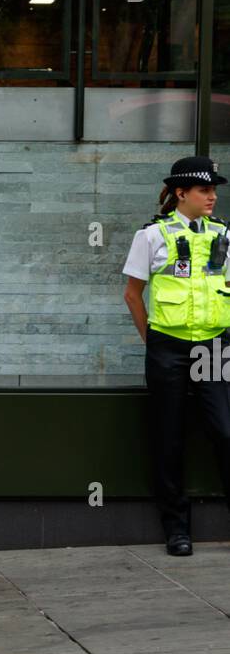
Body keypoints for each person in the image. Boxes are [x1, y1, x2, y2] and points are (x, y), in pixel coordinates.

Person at [123, 155, 230, 556]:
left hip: (216, 347)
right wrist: (152, 341)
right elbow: (132, 294)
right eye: (204, 190)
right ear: (180, 193)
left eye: (214, 190)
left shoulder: (224, 235)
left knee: (225, 430)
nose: (212, 197)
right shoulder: (151, 236)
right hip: (168, 347)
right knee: (168, 438)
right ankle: (177, 529)